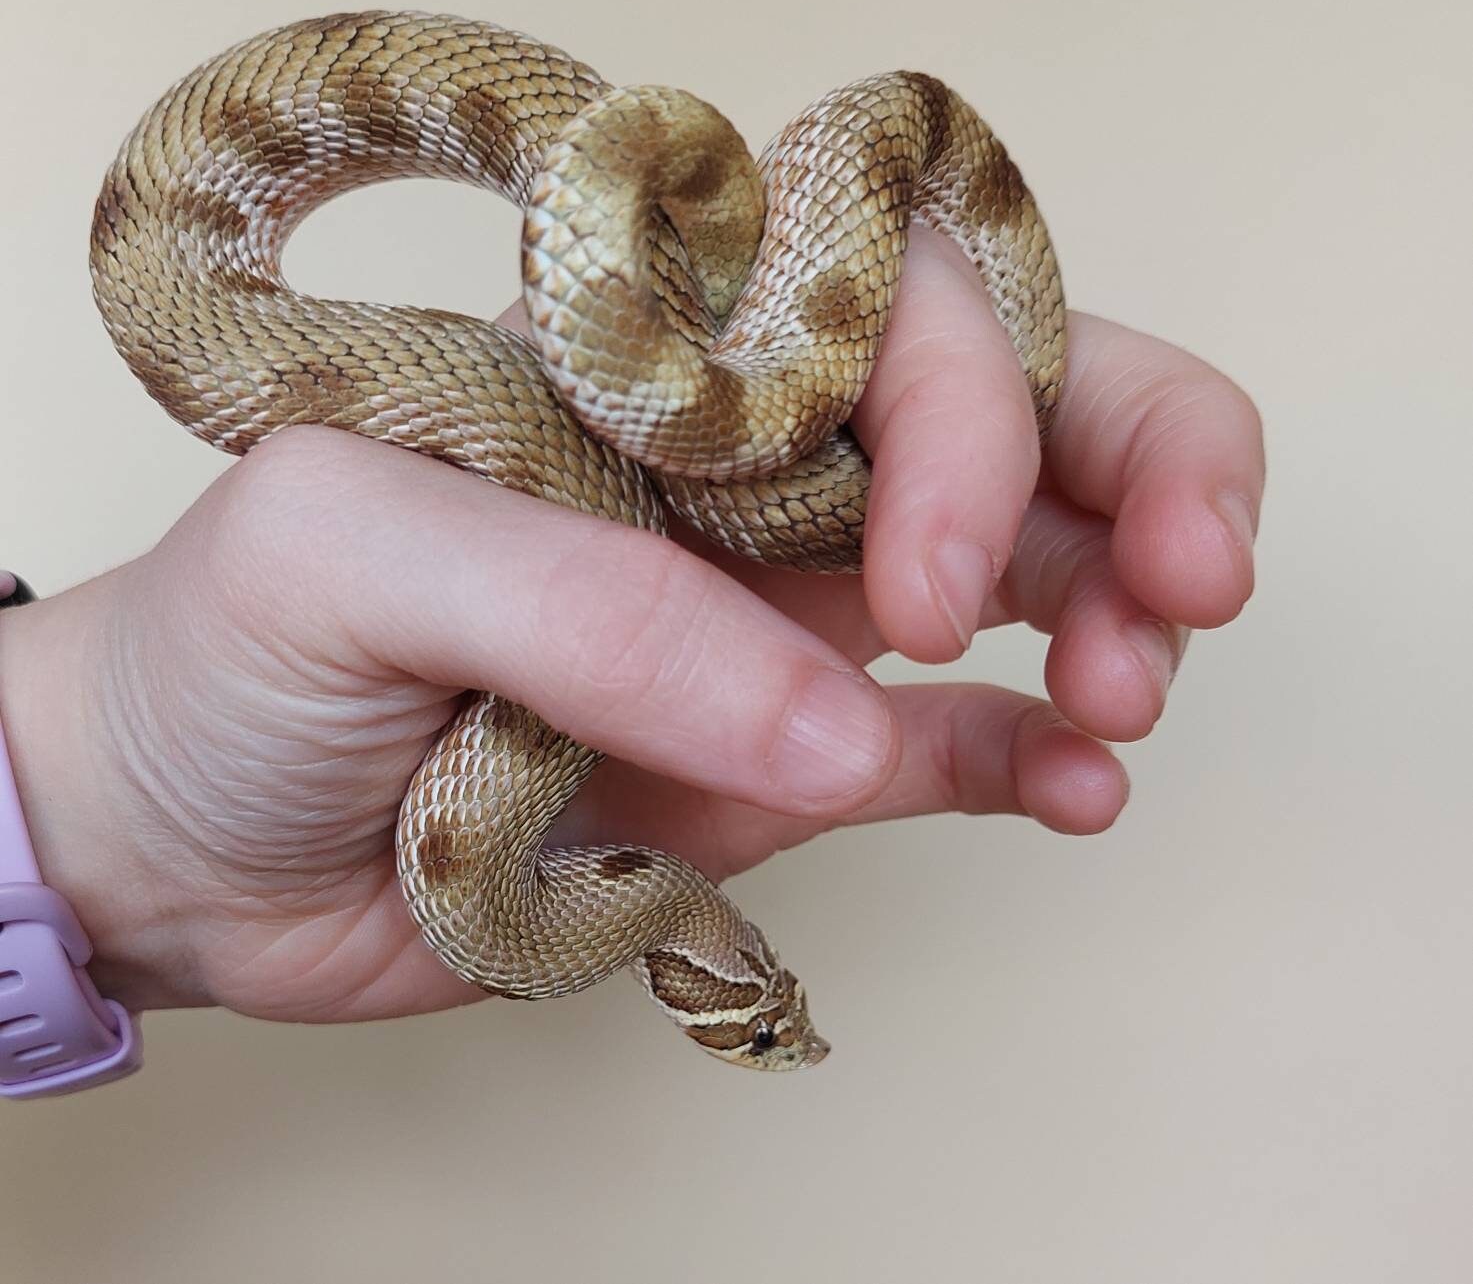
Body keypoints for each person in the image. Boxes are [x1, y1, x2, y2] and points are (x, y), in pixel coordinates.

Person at [0, 228, 1263, 1026]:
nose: (788, 1035)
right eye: (771, 1019)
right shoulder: (555, 892)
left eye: (766, 1018)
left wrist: (100, 806)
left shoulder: (553, 888)